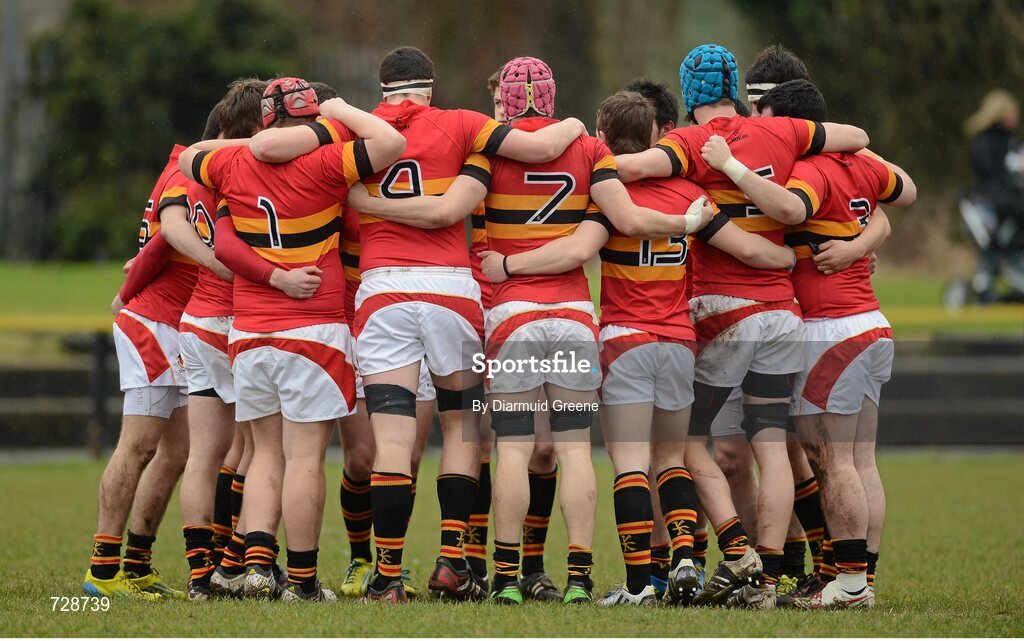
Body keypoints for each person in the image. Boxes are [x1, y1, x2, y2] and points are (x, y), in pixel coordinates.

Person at [347, 56, 711, 605]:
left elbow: (452, 210)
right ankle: (581, 580)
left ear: (507, 101)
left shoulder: (489, 152)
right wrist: (687, 223)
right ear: (553, 93)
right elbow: (618, 226)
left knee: (513, 450)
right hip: (571, 318)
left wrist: (370, 203)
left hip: (512, 316)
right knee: (573, 451)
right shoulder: (590, 150)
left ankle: (509, 578)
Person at [247, 47, 586, 604]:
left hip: (382, 296)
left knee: (393, 440)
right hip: (453, 291)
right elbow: (542, 146)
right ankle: (453, 562)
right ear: (429, 88)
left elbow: (273, 149)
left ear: (384, 90)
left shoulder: (354, 131)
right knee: (461, 431)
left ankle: (386, 574)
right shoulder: (463, 124)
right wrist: (576, 120)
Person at [475, 89, 795, 606]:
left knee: (628, 464)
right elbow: (749, 248)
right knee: (673, 457)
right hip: (678, 341)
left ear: (604, 138)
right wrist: (788, 262)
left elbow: (578, 248)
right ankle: (689, 556)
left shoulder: (606, 196)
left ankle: (640, 585)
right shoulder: (692, 196)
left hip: (624, 339)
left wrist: (508, 265)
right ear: (656, 135)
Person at [615, 42, 869, 609]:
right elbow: (855, 138)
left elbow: (632, 165)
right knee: (770, 444)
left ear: (688, 96)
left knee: (681, 442)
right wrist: (804, 139)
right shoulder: (783, 133)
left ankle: (740, 558)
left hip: (725, 310)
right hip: (783, 313)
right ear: (737, 89)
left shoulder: (686, 143)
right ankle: (773, 574)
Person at [179, 77, 407, 602]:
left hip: (251, 328)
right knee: (305, 457)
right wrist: (338, 115)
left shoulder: (232, 163)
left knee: (263, 453)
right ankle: (302, 581)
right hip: (316, 329)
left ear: (264, 118)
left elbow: (194, 154)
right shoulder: (330, 161)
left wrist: (257, 144)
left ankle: (258, 564)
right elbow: (392, 143)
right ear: (312, 117)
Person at [701, 78, 916, 608]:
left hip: (829, 329)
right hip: (869, 323)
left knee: (832, 460)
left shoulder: (810, 170)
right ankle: (861, 580)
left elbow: (792, 210)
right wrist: (864, 238)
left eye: (766, 115)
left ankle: (847, 585)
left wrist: (731, 166)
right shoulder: (861, 162)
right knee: (861, 461)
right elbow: (905, 191)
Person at [84, 134, 209, 600]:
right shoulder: (190, 173)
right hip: (154, 325)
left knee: (176, 453)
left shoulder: (191, 167)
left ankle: (136, 565)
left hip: (175, 325)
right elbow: (161, 243)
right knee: (137, 446)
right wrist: (125, 296)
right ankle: (100, 570)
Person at [175, 78, 266, 601]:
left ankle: (198, 576)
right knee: (258, 448)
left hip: (197, 321)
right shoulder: (244, 169)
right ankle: (237, 562)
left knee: (203, 455)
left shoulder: (195, 169)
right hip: (238, 323)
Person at [964, 89, 1024, 302]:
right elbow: (992, 173)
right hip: (992, 197)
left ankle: (1015, 265)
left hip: (1007, 196)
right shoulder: (985, 141)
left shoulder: (1010, 141)